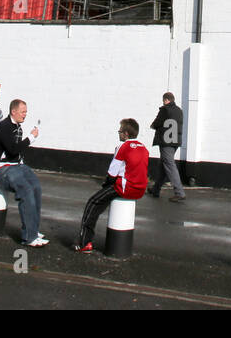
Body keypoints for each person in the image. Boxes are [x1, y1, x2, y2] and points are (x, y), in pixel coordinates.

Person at [74, 118, 149, 253]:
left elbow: (112, 174)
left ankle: (84, 243)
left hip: (126, 188)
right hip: (140, 189)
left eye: (120, 131)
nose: (119, 134)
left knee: (93, 202)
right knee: (104, 197)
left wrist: (105, 186)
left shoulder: (123, 147)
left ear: (126, 134)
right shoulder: (144, 148)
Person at [0, 98, 47, 246]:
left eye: (26, 112)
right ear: (13, 111)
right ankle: (29, 237)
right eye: (23, 112)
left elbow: (14, 153)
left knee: (36, 187)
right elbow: (13, 149)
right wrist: (31, 138)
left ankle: (33, 229)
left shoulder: (17, 127)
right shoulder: (4, 127)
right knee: (25, 190)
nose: (25, 114)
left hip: (13, 164)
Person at [147, 92, 186, 202]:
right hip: (175, 141)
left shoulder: (164, 109)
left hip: (166, 141)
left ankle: (179, 192)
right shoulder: (179, 110)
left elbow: (157, 123)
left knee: (169, 165)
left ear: (166, 100)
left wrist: (153, 125)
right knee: (163, 165)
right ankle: (155, 189)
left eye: (163, 100)